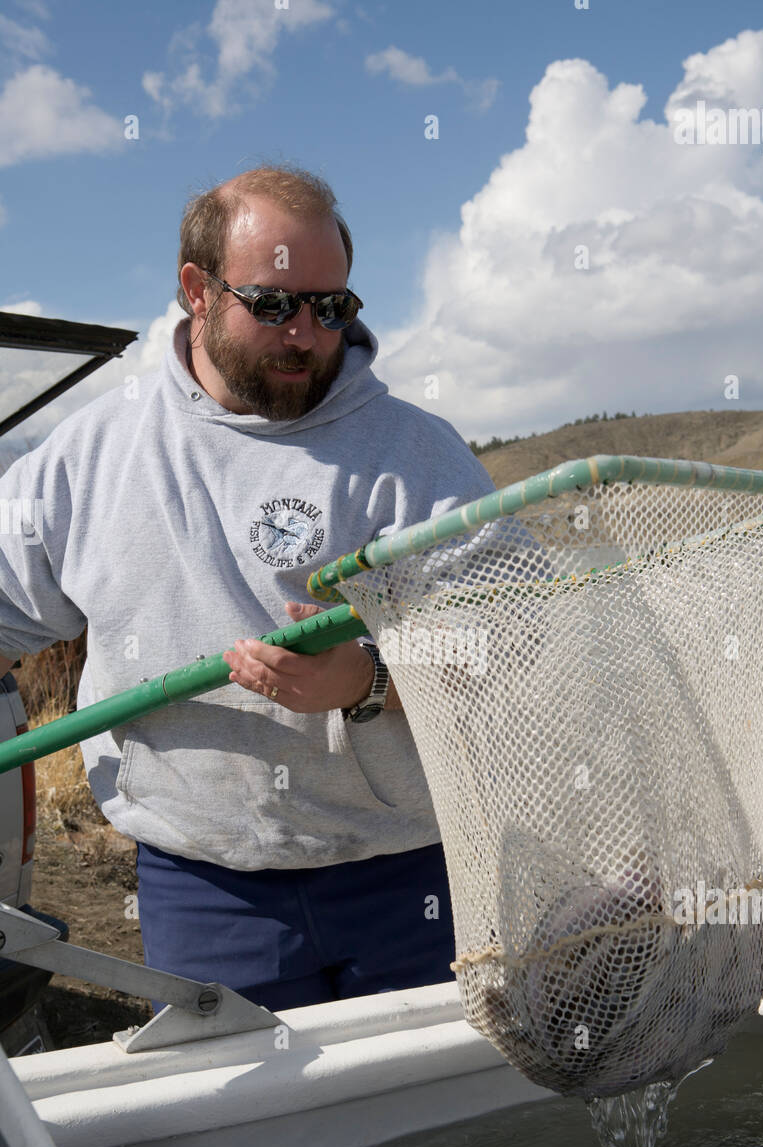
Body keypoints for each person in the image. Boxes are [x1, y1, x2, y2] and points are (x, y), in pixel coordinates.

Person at [0, 163, 496, 1011]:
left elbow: (512, 648)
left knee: (422, 1130)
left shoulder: (418, 458)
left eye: (331, 306)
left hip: (411, 873)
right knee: (235, 1131)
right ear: (196, 288)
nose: (306, 333)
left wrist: (368, 679)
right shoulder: (90, 459)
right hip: (202, 887)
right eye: (274, 304)